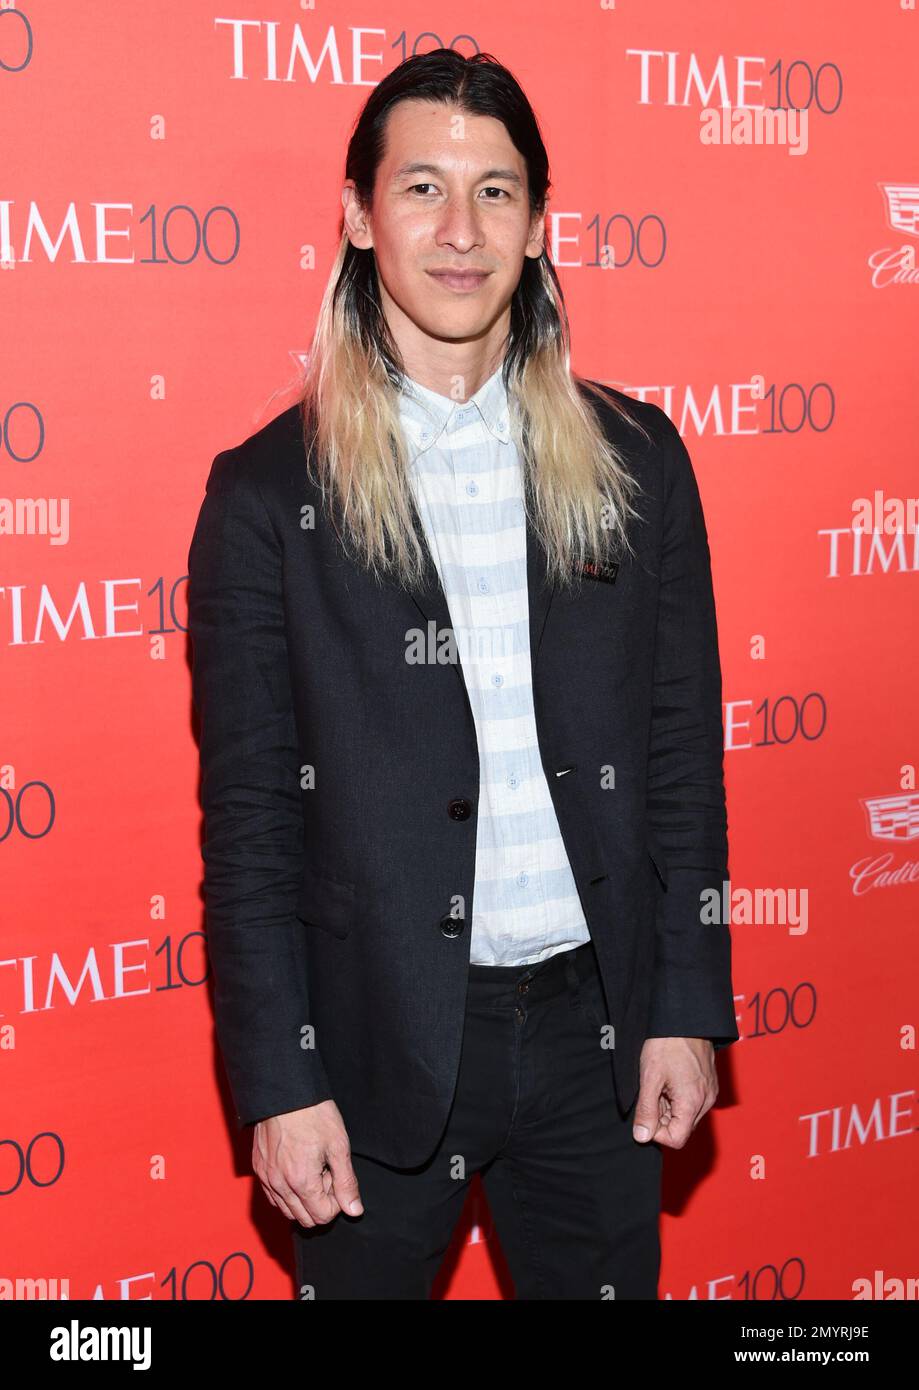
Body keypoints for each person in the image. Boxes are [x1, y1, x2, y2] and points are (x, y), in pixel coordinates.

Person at [187, 47, 739, 1301]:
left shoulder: (636, 460)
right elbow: (253, 825)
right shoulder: (270, 495)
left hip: (597, 1042)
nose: (458, 229)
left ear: (540, 223)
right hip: (375, 1054)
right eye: (422, 187)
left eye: (495, 192)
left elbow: (677, 761)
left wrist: (685, 1004)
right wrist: (280, 1081)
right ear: (356, 212)